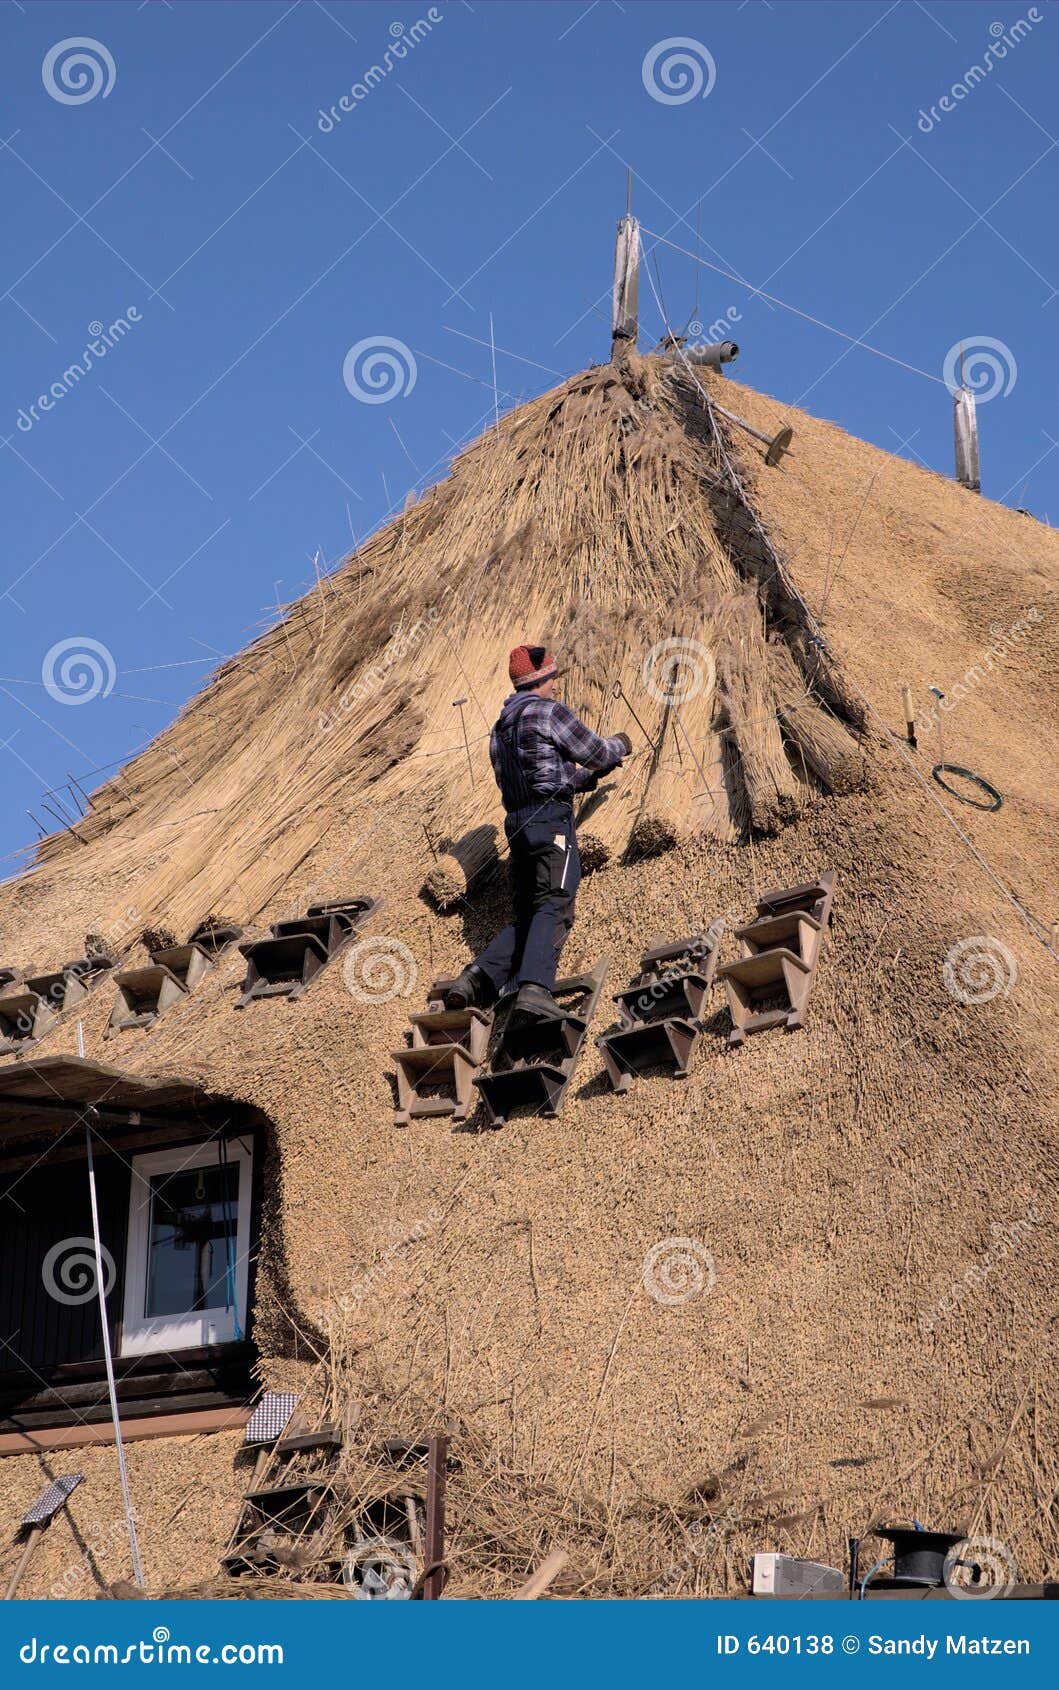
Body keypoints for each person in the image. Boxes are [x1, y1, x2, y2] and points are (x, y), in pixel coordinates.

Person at [444, 644, 631, 1021]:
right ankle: (535, 988)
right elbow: (595, 750)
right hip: (550, 823)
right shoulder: (547, 712)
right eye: (552, 678)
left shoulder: (500, 729)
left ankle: (476, 979)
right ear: (540, 680)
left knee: (529, 912)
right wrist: (620, 746)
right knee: (556, 899)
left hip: (518, 824)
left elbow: (537, 780)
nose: (556, 686)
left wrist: (584, 780)